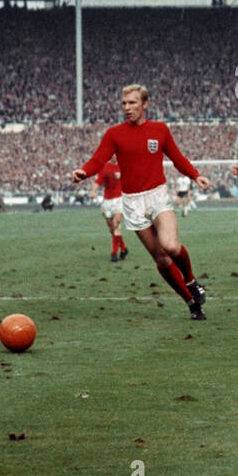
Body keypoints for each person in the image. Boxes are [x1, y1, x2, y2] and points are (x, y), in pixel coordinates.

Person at [72, 84, 212, 319]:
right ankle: (191, 303)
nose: (127, 108)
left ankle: (192, 281)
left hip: (158, 195)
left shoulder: (160, 129)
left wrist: (196, 175)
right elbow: (98, 159)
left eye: (133, 103)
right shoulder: (114, 133)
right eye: (124, 103)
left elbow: (177, 158)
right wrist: (84, 172)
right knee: (162, 259)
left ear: (145, 104)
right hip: (132, 203)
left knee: (170, 245)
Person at [90, 161, 128, 261]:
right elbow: (98, 181)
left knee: (116, 224)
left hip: (120, 199)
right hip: (107, 201)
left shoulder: (123, 165)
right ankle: (123, 248)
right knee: (112, 229)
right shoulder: (105, 167)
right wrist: (93, 191)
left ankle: (114, 253)